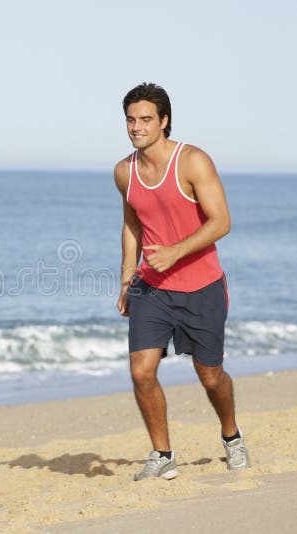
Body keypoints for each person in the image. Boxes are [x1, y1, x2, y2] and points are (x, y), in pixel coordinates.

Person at [113, 82, 250, 480]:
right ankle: (163, 453)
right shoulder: (124, 172)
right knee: (141, 371)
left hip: (201, 286)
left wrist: (175, 251)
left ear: (164, 121)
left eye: (145, 120)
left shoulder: (193, 162)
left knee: (210, 376)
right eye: (130, 120)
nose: (136, 127)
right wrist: (126, 279)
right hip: (151, 287)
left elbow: (221, 221)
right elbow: (132, 224)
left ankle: (232, 435)